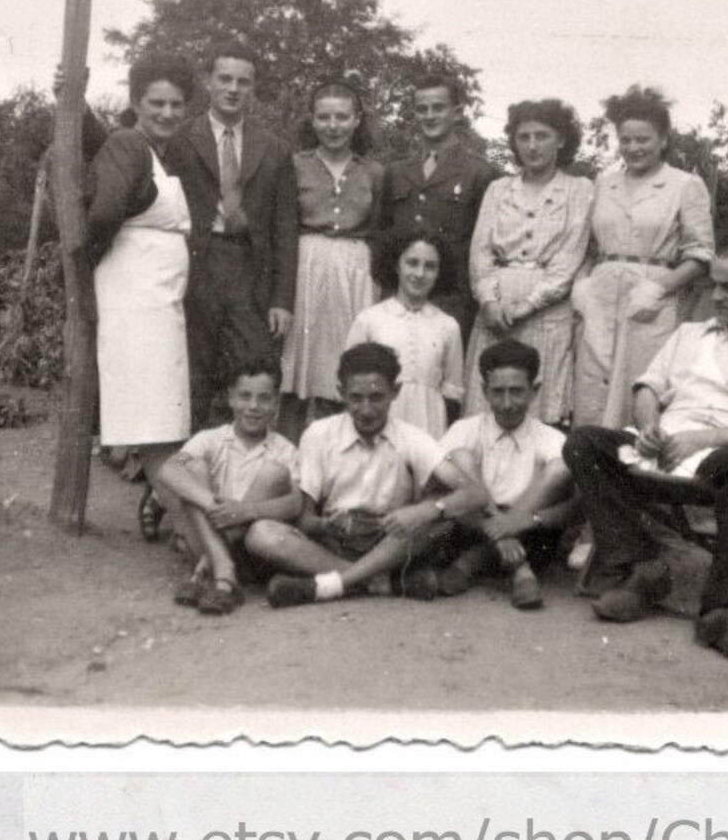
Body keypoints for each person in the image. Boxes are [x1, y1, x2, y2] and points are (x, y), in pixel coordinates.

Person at [562, 245, 728, 667]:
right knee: (583, 443)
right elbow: (647, 386)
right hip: (662, 443)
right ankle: (645, 567)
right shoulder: (689, 335)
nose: (716, 296)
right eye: (714, 285)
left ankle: (722, 613)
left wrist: (702, 438)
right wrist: (648, 423)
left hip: (721, 451)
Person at [245, 342, 491, 607]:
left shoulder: (411, 437)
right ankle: (379, 582)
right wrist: (327, 525)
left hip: (391, 541)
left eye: (376, 398)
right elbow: (304, 520)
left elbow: (477, 494)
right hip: (333, 542)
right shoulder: (319, 434)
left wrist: (427, 510)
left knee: (440, 521)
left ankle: (333, 584)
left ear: (394, 392)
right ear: (341, 393)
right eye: (356, 398)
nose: (366, 409)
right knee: (261, 534)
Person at [86, 52, 196, 534]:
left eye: (176, 105)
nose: (168, 113)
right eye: (157, 103)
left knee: (165, 429)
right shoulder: (128, 145)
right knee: (156, 434)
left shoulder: (157, 153)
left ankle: (201, 537)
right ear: (135, 102)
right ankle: (207, 544)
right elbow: (104, 214)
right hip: (136, 306)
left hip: (159, 303)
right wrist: (86, 270)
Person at [168, 43, 298, 430]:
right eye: (224, 79)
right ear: (208, 82)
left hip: (249, 270)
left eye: (243, 82)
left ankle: (244, 467)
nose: (233, 88)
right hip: (197, 266)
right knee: (193, 371)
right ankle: (181, 469)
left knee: (253, 368)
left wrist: (282, 299)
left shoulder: (274, 149)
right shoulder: (179, 139)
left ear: (253, 89)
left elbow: (286, 230)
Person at [571, 91, 714, 429]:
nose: (634, 148)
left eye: (643, 139)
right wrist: (583, 284)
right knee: (594, 392)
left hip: (651, 299)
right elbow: (587, 246)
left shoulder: (685, 185)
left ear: (663, 140)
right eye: (626, 139)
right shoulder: (604, 183)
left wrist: (659, 289)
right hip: (601, 298)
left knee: (640, 390)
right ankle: (592, 476)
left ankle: (640, 476)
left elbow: (702, 255)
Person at [463, 99, 593, 425]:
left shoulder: (579, 190)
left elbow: (569, 258)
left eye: (542, 135)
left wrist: (525, 306)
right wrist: (489, 302)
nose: (532, 146)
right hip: (495, 310)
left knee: (538, 407)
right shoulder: (498, 189)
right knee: (488, 409)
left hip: (546, 311)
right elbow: (481, 251)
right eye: (524, 137)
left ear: (561, 139)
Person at [435, 340, 583, 610]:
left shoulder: (549, 437)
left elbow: (574, 508)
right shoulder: (465, 429)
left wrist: (519, 522)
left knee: (561, 467)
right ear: (484, 391)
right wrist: (499, 528)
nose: (506, 403)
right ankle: (519, 570)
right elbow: (441, 484)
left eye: (516, 392)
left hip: (530, 532)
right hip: (473, 524)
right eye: (498, 392)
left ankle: (472, 562)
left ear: (534, 391)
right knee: (459, 458)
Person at [156, 359, 302, 615]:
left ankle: (211, 568)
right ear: (231, 399)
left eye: (264, 398)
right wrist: (213, 504)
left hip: (251, 548)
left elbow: (295, 503)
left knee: (274, 473)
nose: (253, 407)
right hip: (208, 533)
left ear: (276, 404)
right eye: (245, 397)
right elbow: (170, 467)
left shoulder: (286, 450)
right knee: (192, 469)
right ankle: (223, 569)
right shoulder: (207, 439)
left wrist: (246, 511)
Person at [279, 79, 384, 433]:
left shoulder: (373, 172)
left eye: (342, 117)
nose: (333, 126)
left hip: (354, 271)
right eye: (324, 117)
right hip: (306, 267)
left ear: (357, 120)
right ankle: (287, 465)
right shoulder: (294, 165)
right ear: (311, 120)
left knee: (342, 370)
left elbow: (379, 230)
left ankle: (338, 462)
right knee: (295, 375)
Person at [377, 75, 499, 339]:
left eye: (438, 108)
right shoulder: (396, 172)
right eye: (422, 109)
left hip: (452, 301)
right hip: (399, 298)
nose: (429, 116)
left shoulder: (480, 173)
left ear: (456, 113)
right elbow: (382, 236)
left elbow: (486, 247)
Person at [346, 231, 464, 439]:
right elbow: (350, 382)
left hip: (429, 425)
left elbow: (452, 391)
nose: (420, 274)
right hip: (379, 425)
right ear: (396, 266)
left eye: (430, 266)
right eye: (412, 263)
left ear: (439, 273)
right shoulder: (369, 319)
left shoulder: (448, 326)